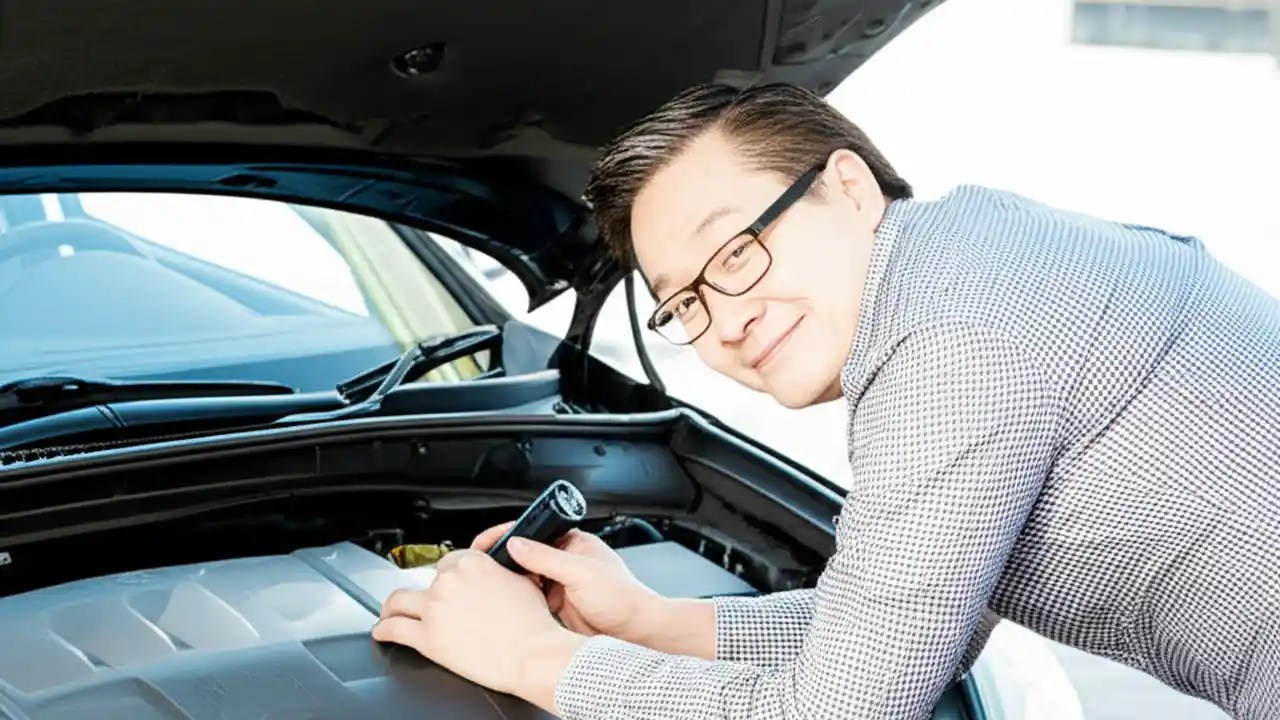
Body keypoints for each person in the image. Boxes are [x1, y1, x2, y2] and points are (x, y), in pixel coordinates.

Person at [371, 83, 1280, 719]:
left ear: (848, 185)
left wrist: (533, 659)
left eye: (733, 252)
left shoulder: (951, 344)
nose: (722, 321)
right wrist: (650, 622)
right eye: (685, 301)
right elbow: (913, 627)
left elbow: (842, 708)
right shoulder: (973, 256)